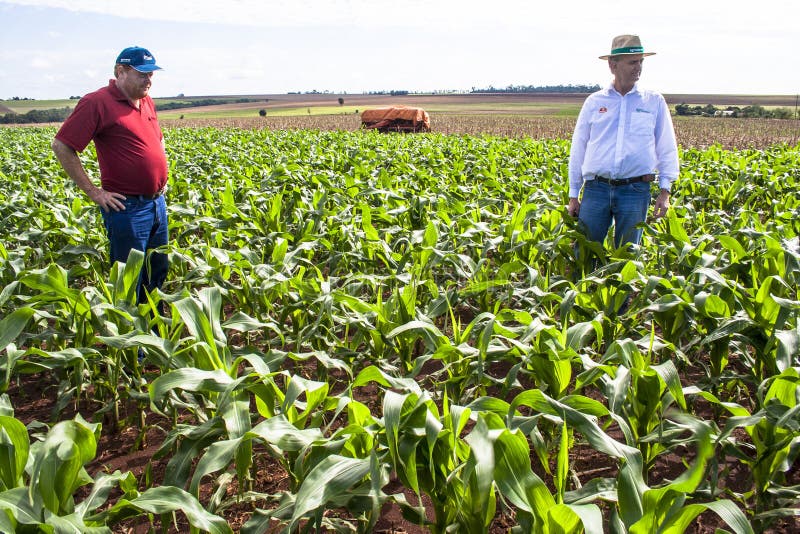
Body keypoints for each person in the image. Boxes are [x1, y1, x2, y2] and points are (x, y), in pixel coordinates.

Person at [52, 46, 169, 309]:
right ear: (121, 72)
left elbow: (157, 140)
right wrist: (94, 192)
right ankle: (131, 349)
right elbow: (62, 145)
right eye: (142, 74)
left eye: (151, 74)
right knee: (129, 282)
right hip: (127, 209)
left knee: (157, 272)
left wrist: (163, 174)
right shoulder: (97, 102)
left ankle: (155, 341)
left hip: (156, 205)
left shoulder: (146, 100)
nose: (149, 80)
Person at [567, 34, 679, 251]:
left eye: (640, 61)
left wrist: (665, 191)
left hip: (635, 190)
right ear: (613, 65)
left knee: (627, 255)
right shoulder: (595, 102)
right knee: (584, 253)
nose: (638, 67)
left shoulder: (653, 101)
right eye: (632, 62)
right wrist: (574, 194)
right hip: (596, 189)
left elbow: (666, 146)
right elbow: (578, 148)